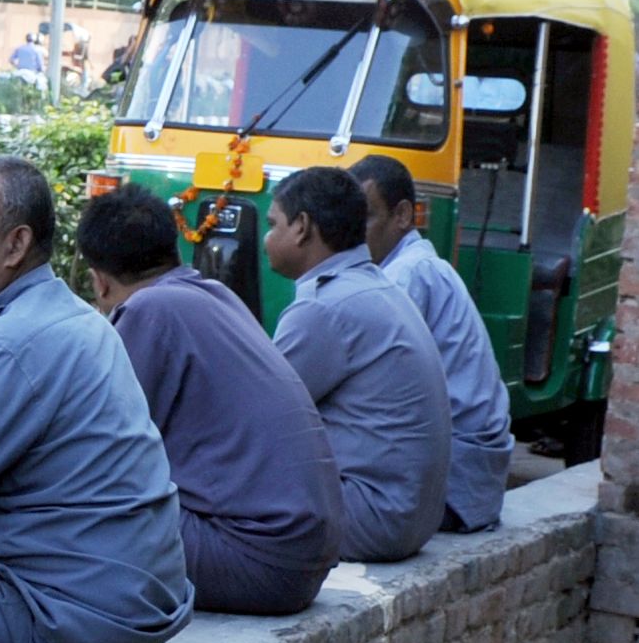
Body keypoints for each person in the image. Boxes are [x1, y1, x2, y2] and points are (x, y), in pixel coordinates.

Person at [0, 157, 192, 643]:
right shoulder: (66, 315)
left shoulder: (14, 341)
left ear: (15, 246)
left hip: (66, 637)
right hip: (120, 634)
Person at [75, 184, 343, 616]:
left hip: (259, 558)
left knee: (70, 508)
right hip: (303, 553)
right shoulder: (215, 295)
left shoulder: (147, 310)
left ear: (99, 282)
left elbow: (98, 449)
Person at [260, 166, 450, 564]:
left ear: (302, 227)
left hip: (374, 519)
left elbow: (256, 419)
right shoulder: (376, 287)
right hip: (411, 517)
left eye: (273, 224)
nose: (266, 239)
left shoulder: (324, 307)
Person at [350, 154, 513, 534]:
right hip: (467, 477)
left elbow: (373, 391)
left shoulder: (408, 275)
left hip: (459, 480)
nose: (353, 234)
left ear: (403, 216)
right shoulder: (408, 268)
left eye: (367, 219)